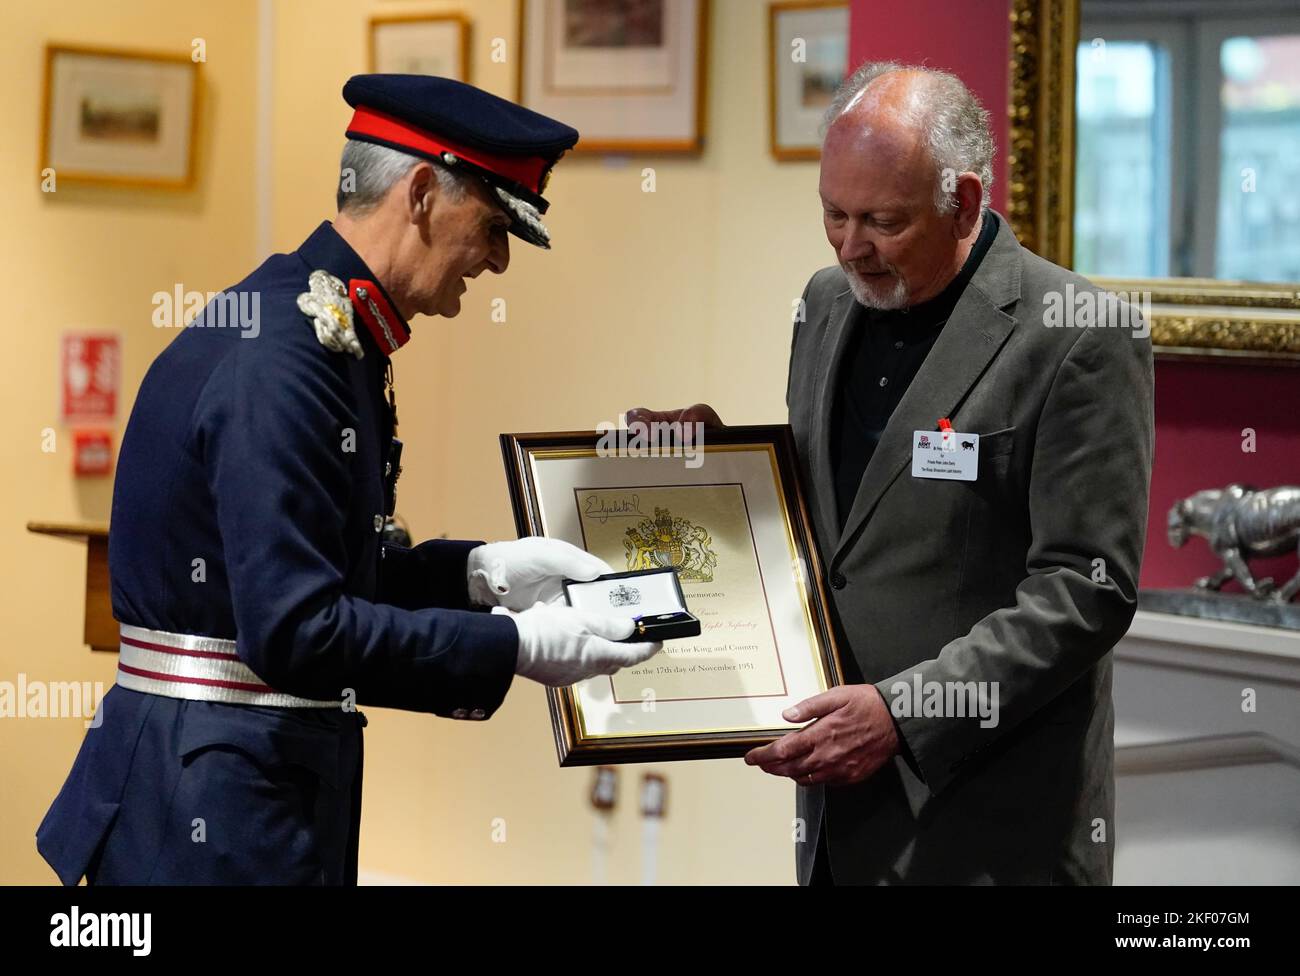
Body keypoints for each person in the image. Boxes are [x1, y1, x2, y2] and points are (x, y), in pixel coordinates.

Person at [38, 75, 659, 885]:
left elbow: (315, 576)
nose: (500, 261)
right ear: (425, 193)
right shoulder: (285, 360)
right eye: (495, 225)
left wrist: (477, 576)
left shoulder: (316, 329)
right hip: (214, 811)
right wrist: (513, 645)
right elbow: (297, 631)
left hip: (225, 782)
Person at [629, 62, 1153, 884]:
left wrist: (906, 715)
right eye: (832, 214)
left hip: (987, 829)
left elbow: (1086, 591)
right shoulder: (826, 302)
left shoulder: (1079, 336)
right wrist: (721, 466)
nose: (850, 247)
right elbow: (846, 512)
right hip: (838, 818)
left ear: (967, 203)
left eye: (882, 221)